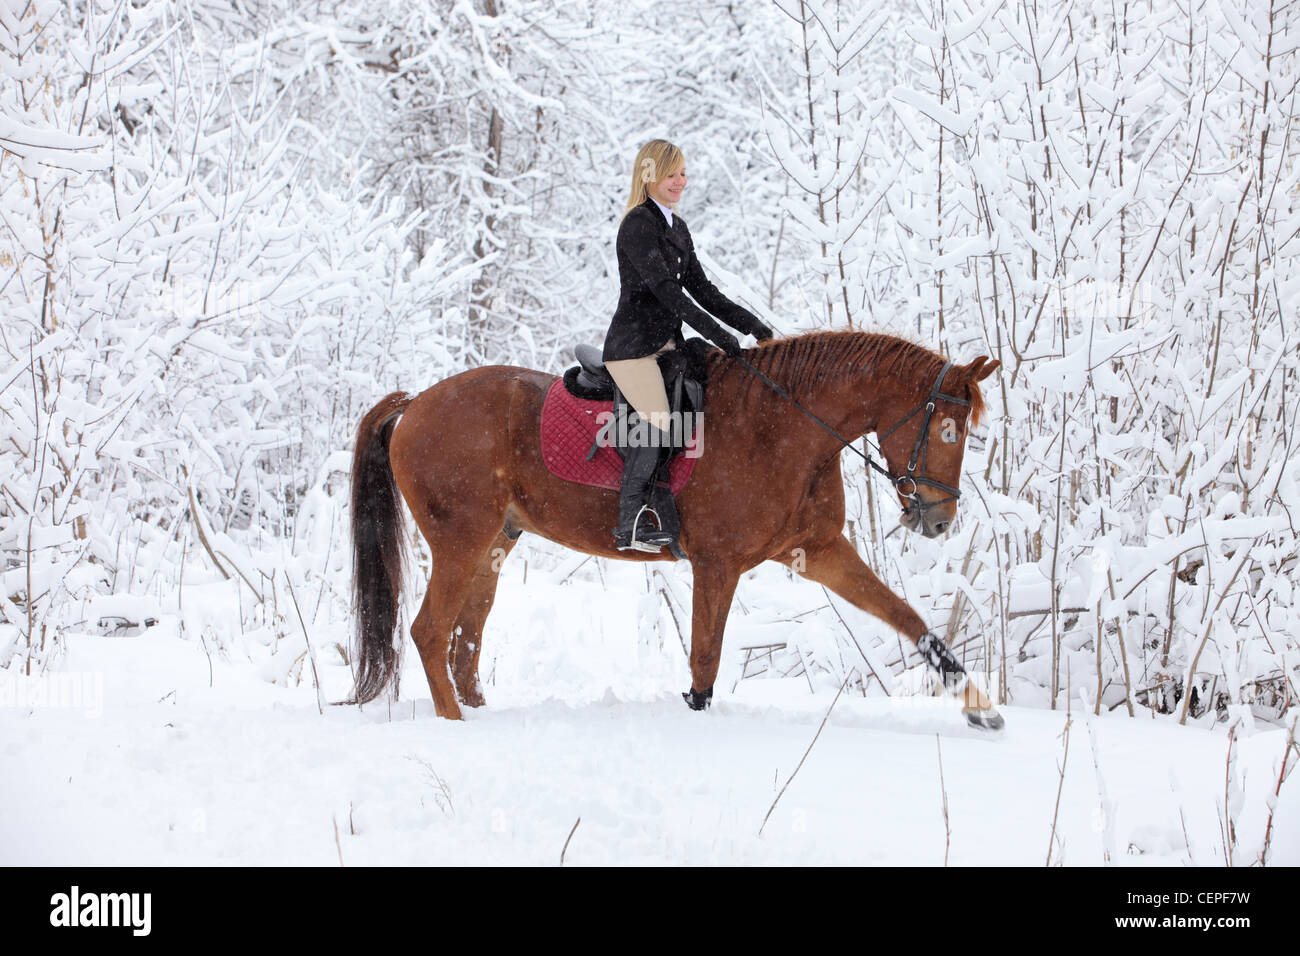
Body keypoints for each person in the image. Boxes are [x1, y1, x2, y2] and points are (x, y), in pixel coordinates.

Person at [603, 139, 774, 552]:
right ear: (649, 176)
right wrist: (719, 335)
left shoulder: (677, 228)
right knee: (659, 420)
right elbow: (667, 292)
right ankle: (630, 521)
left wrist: (753, 326)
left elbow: (702, 290)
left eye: (683, 173)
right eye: (671, 174)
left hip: (667, 345)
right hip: (633, 349)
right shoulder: (637, 224)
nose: (681, 181)